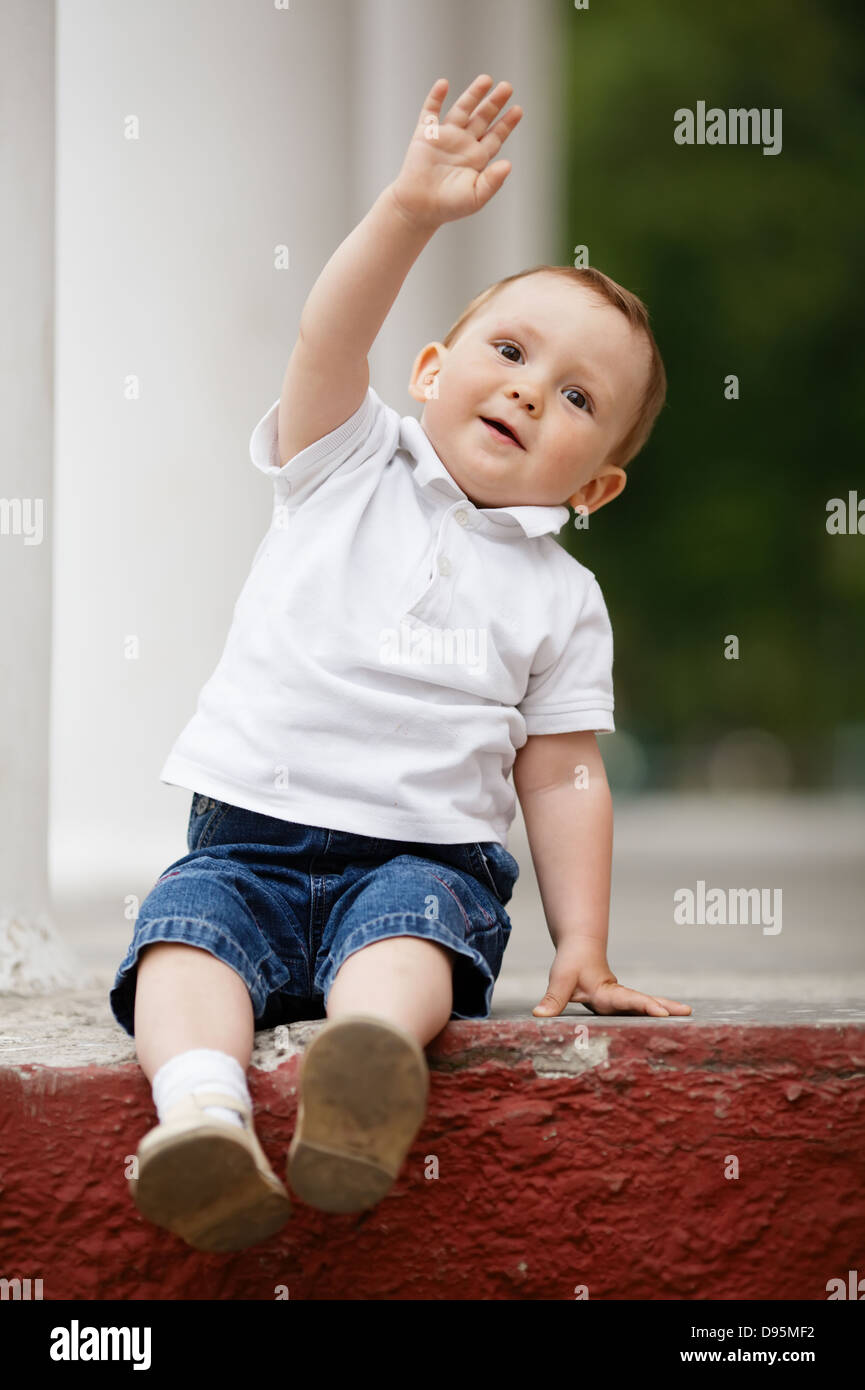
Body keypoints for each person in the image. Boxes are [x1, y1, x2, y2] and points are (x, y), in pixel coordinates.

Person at [110, 73, 691, 1253]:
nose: (530, 386)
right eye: (511, 350)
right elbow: (330, 330)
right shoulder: (344, 464)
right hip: (251, 834)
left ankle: (355, 1081)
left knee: (411, 950)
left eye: (575, 395)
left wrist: (582, 938)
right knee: (182, 940)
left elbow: (565, 773)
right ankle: (203, 1117)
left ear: (592, 487)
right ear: (430, 370)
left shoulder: (561, 596)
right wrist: (413, 209)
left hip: (424, 859)